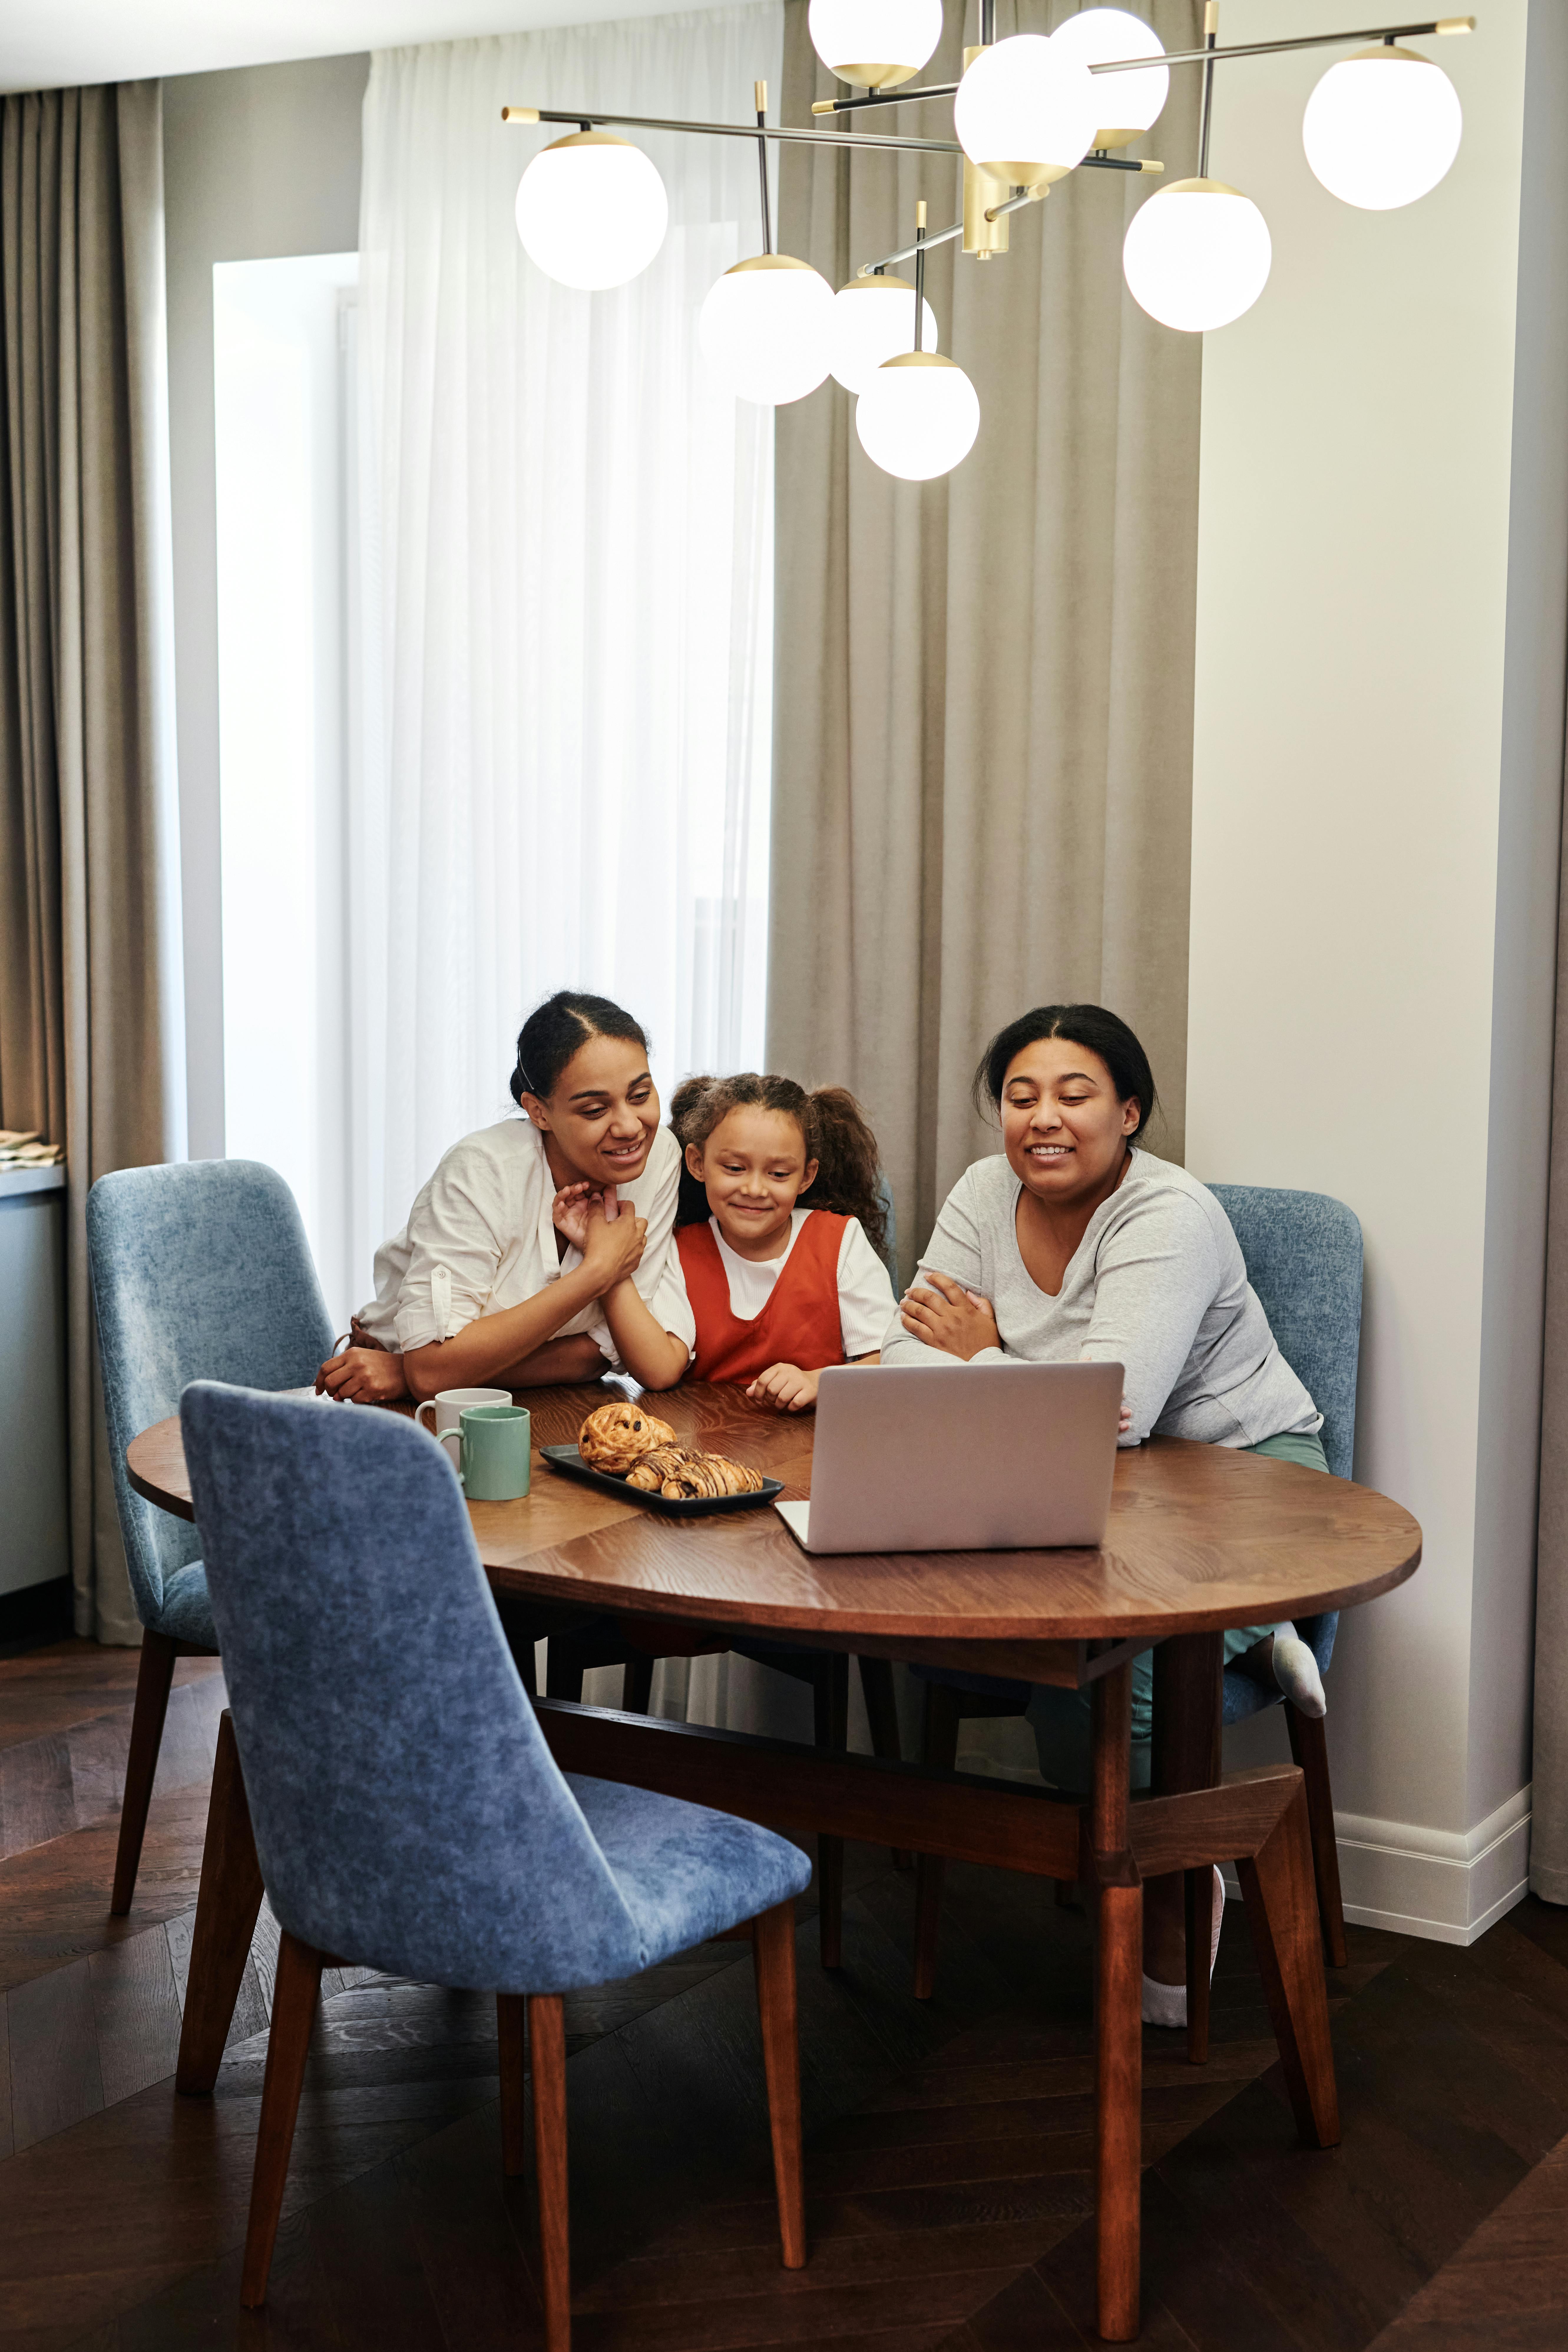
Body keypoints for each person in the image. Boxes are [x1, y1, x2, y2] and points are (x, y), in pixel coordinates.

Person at [881, 1003, 1329, 2022]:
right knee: (1046, 1661)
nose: (1043, 1117)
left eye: (1074, 1094)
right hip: (1079, 1476)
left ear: (1128, 1111)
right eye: (1020, 1095)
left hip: (1242, 1471)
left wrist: (982, 1353)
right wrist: (974, 1362)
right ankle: (1254, 1646)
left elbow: (1107, 1420)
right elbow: (906, 1351)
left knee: (1104, 1692)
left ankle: (1173, 1887)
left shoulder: (1168, 1215)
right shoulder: (981, 1191)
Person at [317, 991, 692, 1404]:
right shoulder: (482, 1170)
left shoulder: (658, 1156)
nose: (629, 1126)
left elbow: (597, 1355)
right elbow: (431, 1372)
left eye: (640, 1096)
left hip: (547, 1399)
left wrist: (428, 1373)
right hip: (397, 1403)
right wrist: (598, 1271)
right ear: (538, 1112)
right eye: (594, 1110)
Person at [669, 1074, 897, 1411]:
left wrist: (818, 1381)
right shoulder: (676, 1249)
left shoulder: (840, 1241)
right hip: (702, 1452)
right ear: (697, 1163)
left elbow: (892, 1361)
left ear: (806, 1176)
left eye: (778, 1174)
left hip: (810, 1448)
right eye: (734, 1168)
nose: (755, 1189)